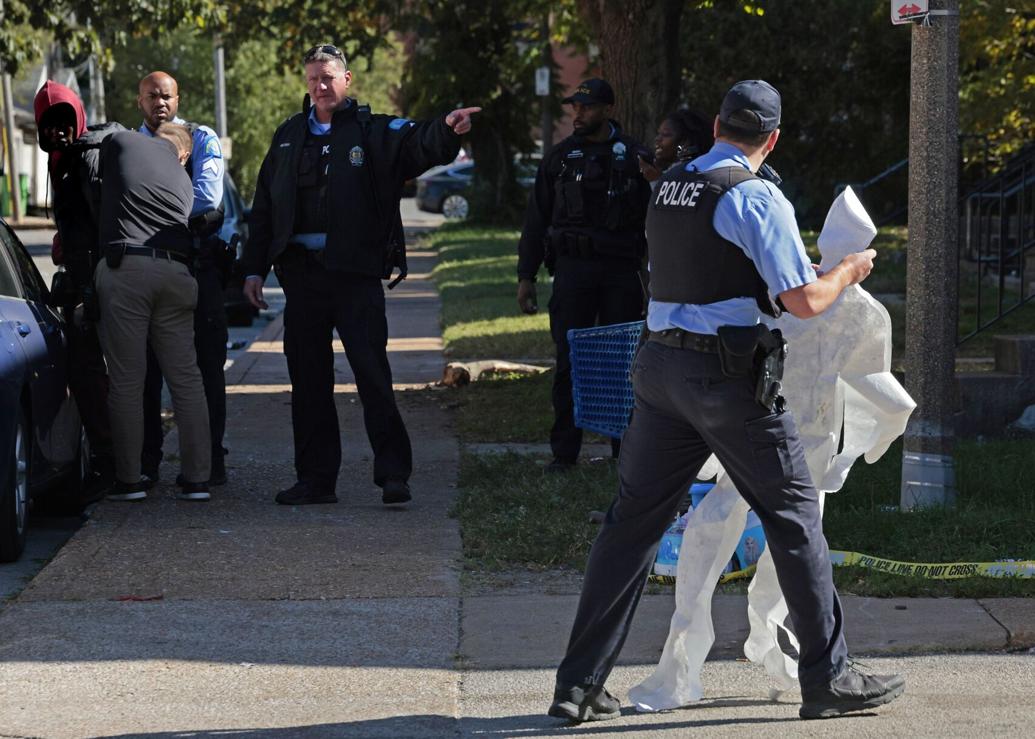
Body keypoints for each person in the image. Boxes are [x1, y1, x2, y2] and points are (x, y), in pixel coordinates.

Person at [548, 80, 905, 723]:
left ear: (716, 126)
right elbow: (804, 300)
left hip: (659, 371)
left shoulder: (674, 184)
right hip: (727, 379)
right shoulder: (756, 196)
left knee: (631, 526)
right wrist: (849, 271)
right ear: (771, 139)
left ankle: (577, 685)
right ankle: (830, 678)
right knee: (795, 516)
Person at [629, 186, 917, 711]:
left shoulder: (799, 286)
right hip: (781, 434)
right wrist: (887, 429)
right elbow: (878, 386)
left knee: (726, 534)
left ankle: (747, 653)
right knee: (776, 544)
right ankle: (704, 663)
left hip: (769, 430)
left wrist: (880, 429)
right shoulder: (843, 303)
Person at [240, 43, 479, 507]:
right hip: (303, 278)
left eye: (328, 77)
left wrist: (447, 130)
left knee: (372, 375)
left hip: (355, 276)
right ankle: (315, 480)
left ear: (347, 80)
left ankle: (393, 474)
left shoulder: (373, 130)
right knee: (308, 382)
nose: (320, 86)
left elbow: (418, 143)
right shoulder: (288, 135)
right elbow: (264, 207)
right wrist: (253, 269)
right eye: (312, 79)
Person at [516, 78, 652, 471]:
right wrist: (526, 276)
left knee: (623, 361)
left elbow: (655, 221)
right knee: (569, 360)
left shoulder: (634, 158)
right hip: (573, 271)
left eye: (587, 107)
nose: (578, 113)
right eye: (575, 107)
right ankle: (564, 452)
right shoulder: (561, 159)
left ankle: (622, 450)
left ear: (608, 110)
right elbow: (536, 220)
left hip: (619, 272)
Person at [93, 125, 211, 502]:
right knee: (187, 380)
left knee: (128, 380)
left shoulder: (124, 141)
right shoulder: (184, 182)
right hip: (177, 275)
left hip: (128, 271)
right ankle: (197, 481)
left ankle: (129, 481)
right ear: (184, 155)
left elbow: (103, 143)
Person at [135, 71, 231, 486]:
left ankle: (210, 461)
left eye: (167, 96)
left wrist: (150, 209)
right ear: (140, 101)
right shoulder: (128, 144)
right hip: (147, 270)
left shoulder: (201, 138)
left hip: (199, 268)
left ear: (178, 99)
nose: (161, 103)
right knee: (145, 372)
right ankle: (146, 462)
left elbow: (208, 196)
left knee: (206, 366)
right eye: (152, 96)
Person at [32, 81, 121, 492]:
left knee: (103, 374)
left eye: (63, 122)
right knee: (88, 374)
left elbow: (103, 225)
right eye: (48, 125)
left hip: (104, 280)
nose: (56, 132)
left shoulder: (88, 159)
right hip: (86, 277)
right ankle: (111, 462)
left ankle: (118, 465)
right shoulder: (61, 160)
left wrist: (92, 284)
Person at [638, 108, 714, 185]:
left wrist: (656, 180)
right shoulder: (669, 172)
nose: (657, 139)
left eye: (665, 134)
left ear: (685, 142)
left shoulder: (693, 176)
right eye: (658, 134)